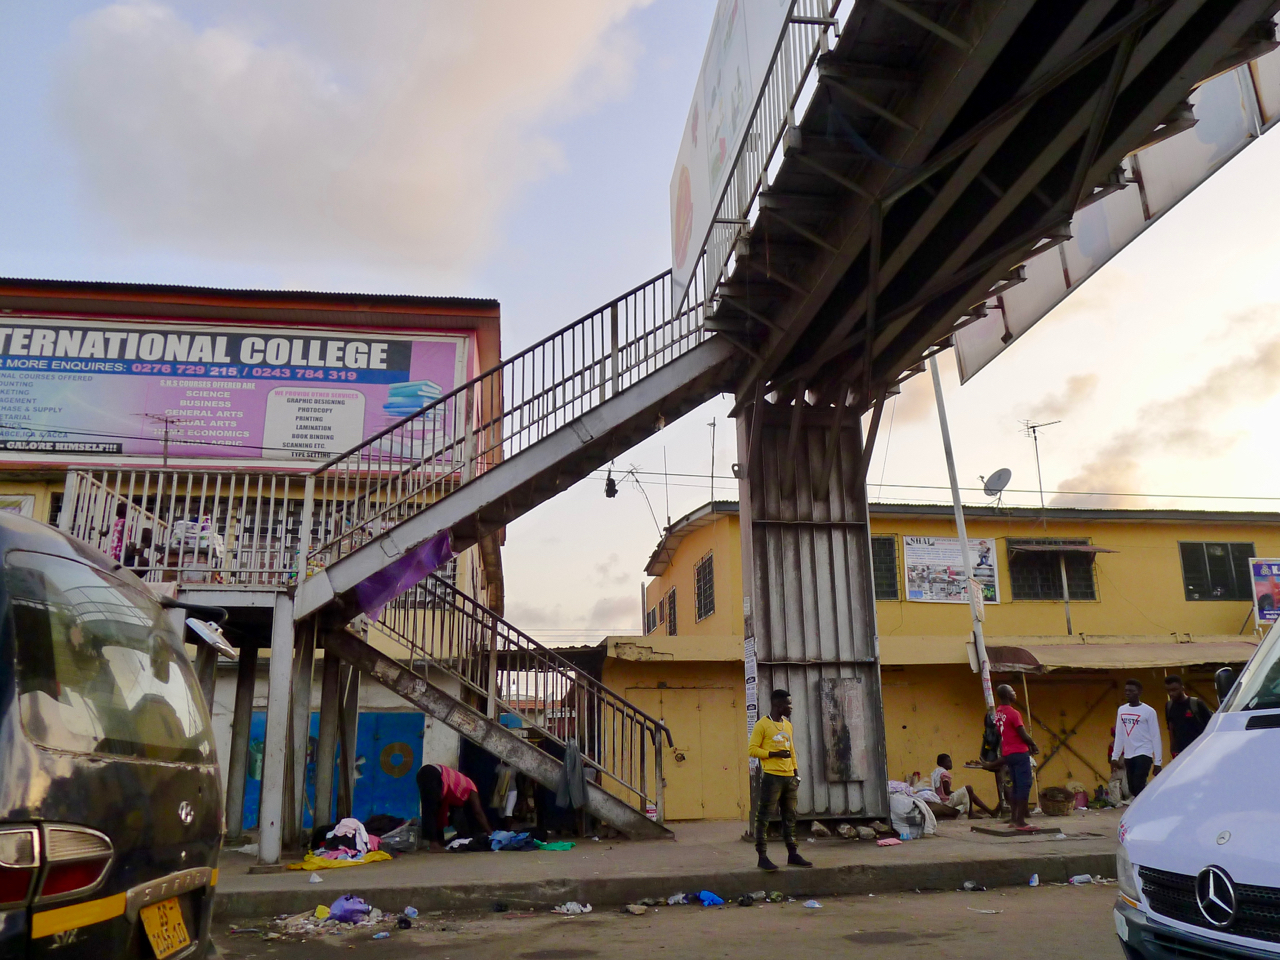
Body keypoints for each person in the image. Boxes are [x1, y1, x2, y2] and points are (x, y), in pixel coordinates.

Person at [748, 688, 812, 872]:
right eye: (788, 704)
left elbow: (791, 751)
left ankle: (793, 854)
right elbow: (752, 750)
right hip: (772, 778)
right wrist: (774, 754)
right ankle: (762, 857)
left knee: (790, 817)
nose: (791, 707)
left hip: (789, 778)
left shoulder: (788, 725)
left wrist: (796, 773)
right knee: (764, 817)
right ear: (777, 704)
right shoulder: (762, 725)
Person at [985, 684, 1038, 831]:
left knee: (1015, 786)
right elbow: (1022, 733)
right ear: (1008, 695)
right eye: (1013, 691)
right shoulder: (1013, 713)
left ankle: (1014, 819)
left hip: (1008, 753)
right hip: (1020, 753)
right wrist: (1033, 744)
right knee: (1024, 786)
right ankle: (1020, 821)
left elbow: (1000, 732)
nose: (1015, 693)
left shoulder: (998, 713)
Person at [415, 763, 492, 850]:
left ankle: (438, 841)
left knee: (436, 810)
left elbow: (447, 816)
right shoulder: (471, 787)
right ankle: (433, 844)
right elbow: (478, 812)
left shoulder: (456, 792)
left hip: (424, 773)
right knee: (430, 808)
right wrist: (489, 832)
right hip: (432, 773)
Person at [1111, 679, 1163, 798]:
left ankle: (1148, 805)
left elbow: (1155, 736)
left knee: (1139, 784)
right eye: (1126, 691)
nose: (1128, 693)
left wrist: (1158, 762)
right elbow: (1120, 734)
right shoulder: (1122, 710)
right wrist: (1115, 756)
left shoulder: (1149, 711)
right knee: (1132, 788)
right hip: (1129, 755)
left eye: (1131, 691)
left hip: (1144, 753)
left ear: (1139, 692)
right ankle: (1149, 801)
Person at [929, 753, 997, 819]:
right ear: (942, 764)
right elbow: (947, 792)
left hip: (941, 799)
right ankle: (971, 813)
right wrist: (958, 794)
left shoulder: (936, 772)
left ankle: (990, 812)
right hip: (947, 801)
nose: (951, 763)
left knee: (969, 793)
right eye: (948, 762)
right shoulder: (945, 774)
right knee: (968, 788)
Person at [1164, 674, 1213, 758]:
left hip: (1200, 749)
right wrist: (1173, 750)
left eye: (1174, 690)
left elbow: (1211, 726)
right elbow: (1171, 728)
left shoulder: (1196, 704)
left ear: (1182, 688)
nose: (1171, 693)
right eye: (1168, 691)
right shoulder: (1169, 706)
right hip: (1181, 752)